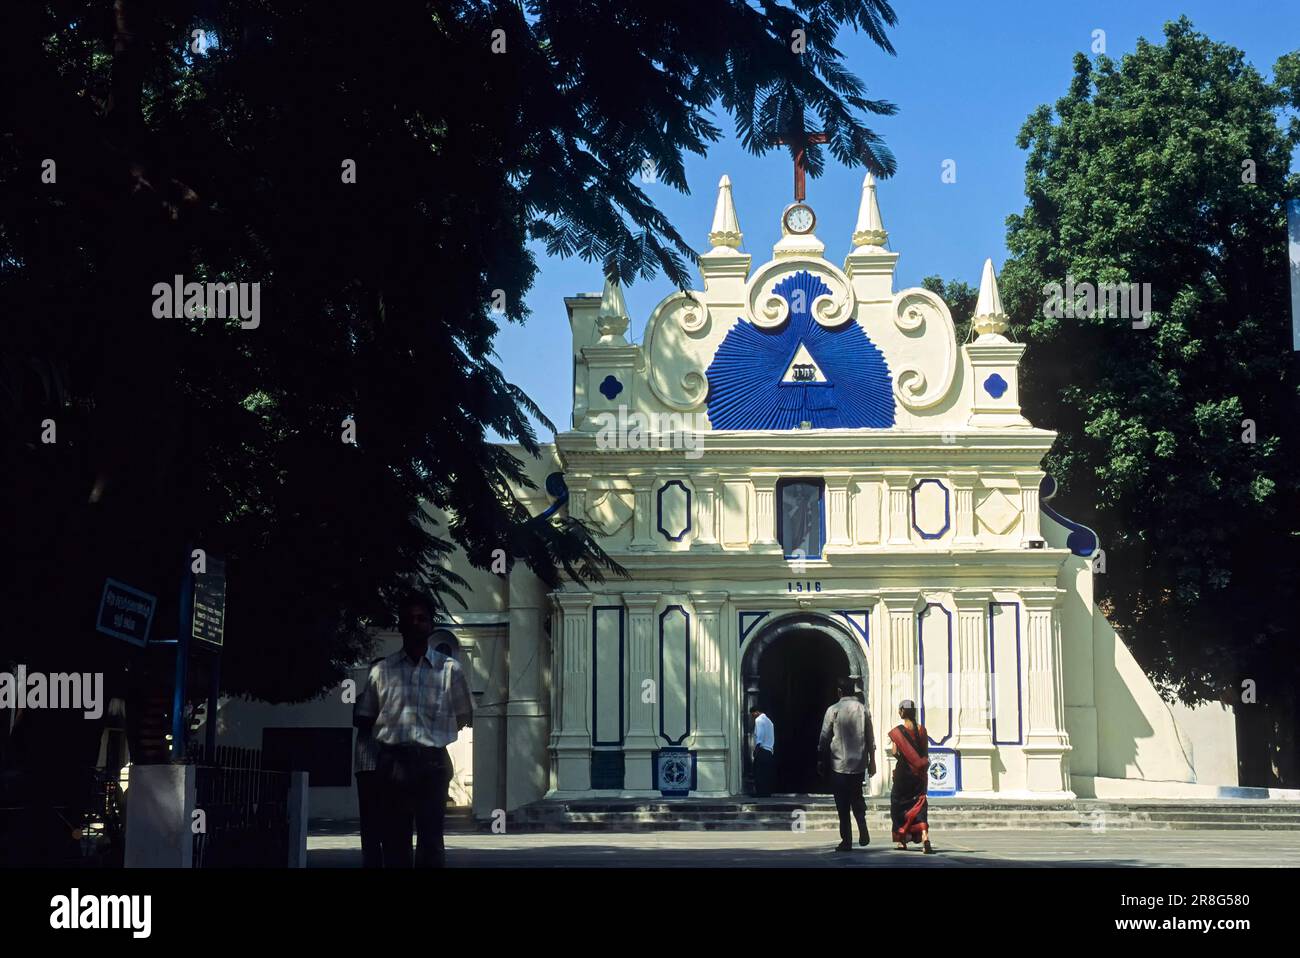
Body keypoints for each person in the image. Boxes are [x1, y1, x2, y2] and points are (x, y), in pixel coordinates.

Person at [354, 592, 473, 868]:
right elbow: (367, 716)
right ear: (400, 625)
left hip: (432, 763)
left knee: (431, 842)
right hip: (393, 763)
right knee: (395, 842)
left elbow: (463, 715)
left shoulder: (449, 670)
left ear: (431, 625)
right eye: (409, 619)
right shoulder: (381, 671)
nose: (415, 623)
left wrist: (431, 736)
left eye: (422, 618)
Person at [817, 678, 876, 851]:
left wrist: (820, 759)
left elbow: (824, 736)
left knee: (842, 804)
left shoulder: (833, 710)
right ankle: (862, 827)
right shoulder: (863, 709)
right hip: (858, 764)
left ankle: (847, 840)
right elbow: (870, 738)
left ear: (839, 692)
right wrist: (873, 762)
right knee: (857, 797)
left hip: (839, 764)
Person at [352, 656, 386, 867]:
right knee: (369, 815)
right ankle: (371, 857)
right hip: (367, 765)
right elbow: (361, 720)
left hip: (388, 764)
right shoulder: (362, 698)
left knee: (390, 814)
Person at [888, 699, 933, 854]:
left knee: (898, 804)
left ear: (901, 711)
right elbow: (925, 753)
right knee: (920, 803)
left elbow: (894, 752)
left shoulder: (898, 732)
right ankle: (925, 836)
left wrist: (905, 760)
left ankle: (902, 840)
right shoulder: (922, 730)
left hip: (903, 775)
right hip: (919, 775)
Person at [750, 705, 775, 797]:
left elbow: (760, 736)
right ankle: (766, 792)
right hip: (769, 751)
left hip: (762, 750)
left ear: (756, 712)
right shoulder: (769, 722)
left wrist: (756, 750)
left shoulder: (759, 720)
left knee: (758, 772)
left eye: (753, 715)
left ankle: (760, 793)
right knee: (766, 773)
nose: (753, 717)